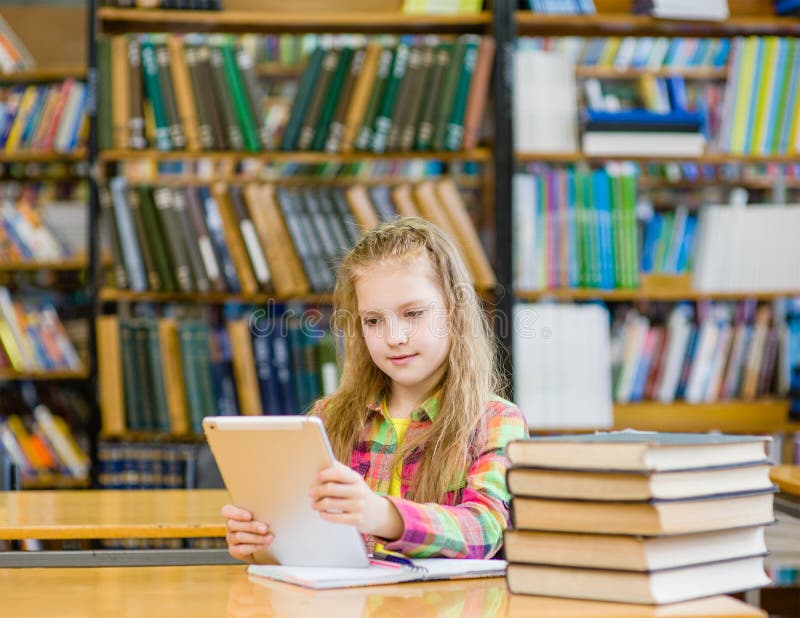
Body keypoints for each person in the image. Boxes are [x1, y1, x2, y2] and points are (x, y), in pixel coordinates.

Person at [222, 217, 527, 561]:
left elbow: (486, 529)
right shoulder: (328, 418)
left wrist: (383, 515)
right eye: (373, 321)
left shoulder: (495, 420)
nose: (394, 337)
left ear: (454, 313)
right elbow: (307, 534)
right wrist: (264, 539)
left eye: (412, 313)